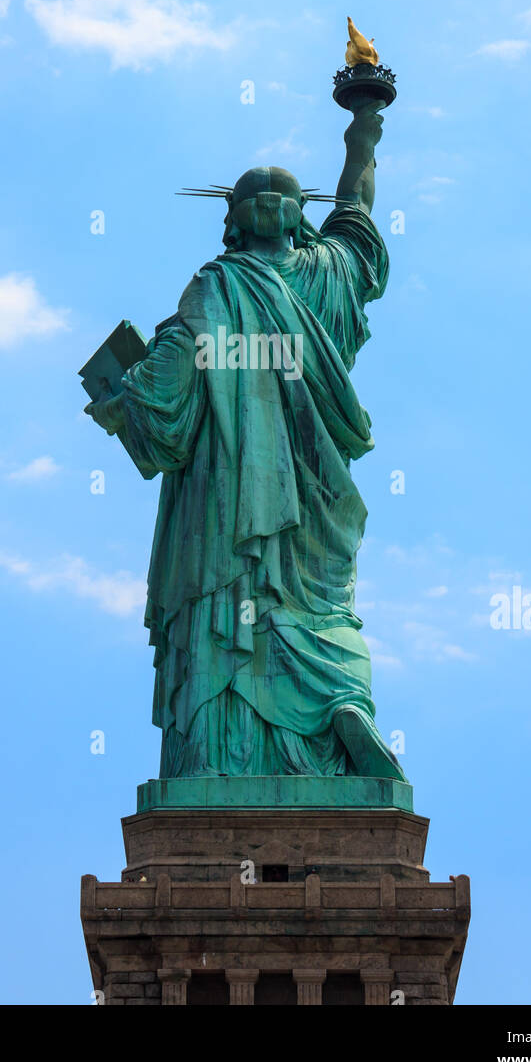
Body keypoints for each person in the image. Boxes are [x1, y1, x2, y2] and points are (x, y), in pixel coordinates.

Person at [86, 98, 405, 781]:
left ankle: (215, 760)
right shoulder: (328, 275)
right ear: (298, 219)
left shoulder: (214, 286)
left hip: (225, 497)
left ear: (230, 222)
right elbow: (356, 206)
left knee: (228, 602)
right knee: (317, 604)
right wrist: (364, 125)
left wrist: (122, 402)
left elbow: (163, 402)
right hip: (315, 488)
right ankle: (338, 701)